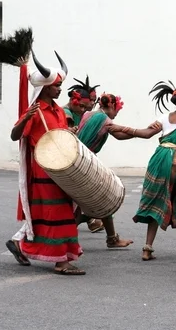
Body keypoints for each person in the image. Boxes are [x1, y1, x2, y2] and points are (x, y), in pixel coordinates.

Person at [6, 50, 85, 274]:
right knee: (55, 215)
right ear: (45, 88)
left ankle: (21, 244)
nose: (60, 89)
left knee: (60, 215)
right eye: (56, 86)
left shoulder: (59, 110)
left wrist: (70, 131)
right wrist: (26, 119)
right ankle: (61, 261)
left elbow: (58, 135)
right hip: (44, 173)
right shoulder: (35, 110)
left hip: (61, 170)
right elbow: (15, 135)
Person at [76, 93, 161, 248]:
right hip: (85, 162)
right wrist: (150, 130)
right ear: (110, 106)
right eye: (117, 110)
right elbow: (121, 136)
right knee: (97, 200)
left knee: (101, 199)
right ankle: (66, 239)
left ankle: (111, 238)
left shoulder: (89, 114)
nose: (116, 114)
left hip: (78, 159)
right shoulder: (103, 119)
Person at [133, 83, 176, 261]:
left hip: (159, 159)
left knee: (156, 200)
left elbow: (145, 133)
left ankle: (147, 248)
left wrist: (124, 129)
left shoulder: (164, 117)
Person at [64, 75, 105, 233]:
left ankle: (94, 222)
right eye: (81, 106)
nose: (84, 109)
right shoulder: (66, 113)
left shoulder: (82, 112)